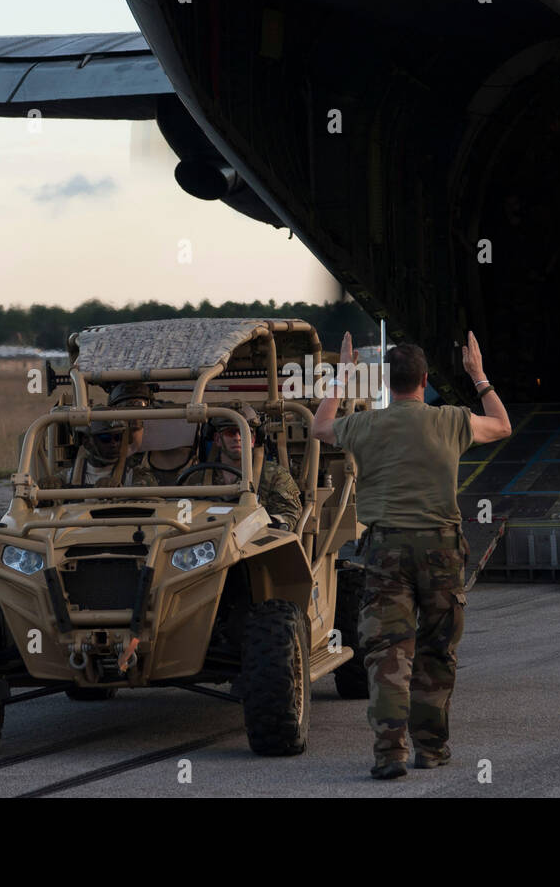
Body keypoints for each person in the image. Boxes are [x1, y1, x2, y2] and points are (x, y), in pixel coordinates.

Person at [312, 332, 512, 780]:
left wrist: (342, 377)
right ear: (424, 379)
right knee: (438, 650)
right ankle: (432, 749)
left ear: (387, 379)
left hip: (385, 550)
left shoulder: (366, 426)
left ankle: (390, 754)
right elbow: (502, 425)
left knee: (387, 653)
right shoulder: (452, 420)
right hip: (441, 548)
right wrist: (477, 375)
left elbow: (319, 429)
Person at [203, 404, 302, 532]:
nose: (238, 438)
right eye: (231, 432)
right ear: (217, 439)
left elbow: (289, 514)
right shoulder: (199, 477)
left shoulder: (274, 475)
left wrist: (262, 525)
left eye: (244, 433)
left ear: (253, 440)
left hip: (256, 544)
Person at [42, 381, 158, 488]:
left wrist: (119, 491)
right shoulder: (69, 476)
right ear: (87, 442)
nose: (114, 443)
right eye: (105, 438)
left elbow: (146, 491)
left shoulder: (133, 473)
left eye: (118, 437)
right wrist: (48, 487)